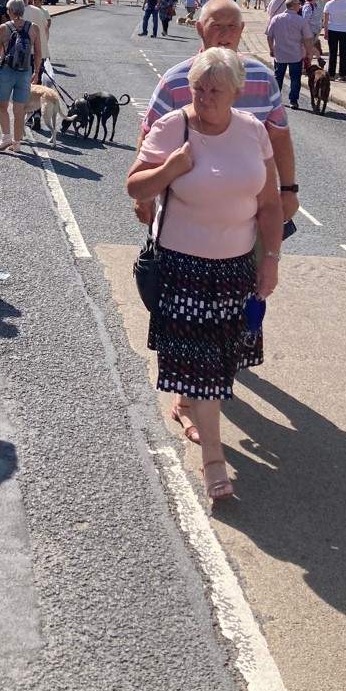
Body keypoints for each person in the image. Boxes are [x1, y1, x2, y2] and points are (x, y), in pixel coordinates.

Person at [133, 0, 298, 445]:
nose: (225, 32)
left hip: (250, 209)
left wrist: (288, 191)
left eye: (232, 25)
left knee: (247, 301)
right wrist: (145, 197)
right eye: (216, 25)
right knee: (196, 320)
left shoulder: (261, 78)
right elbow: (149, 135)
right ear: (199, 30)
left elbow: (279, 136)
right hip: (190, 221)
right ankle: (192, 401)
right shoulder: (177, 79)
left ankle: (215, 374)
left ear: (242, 30)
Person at [127, 47, 280, 506]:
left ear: (237, 91)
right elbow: (134, 185)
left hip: (236, 268)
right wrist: (171, 167)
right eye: (198, 88)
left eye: (215, 90)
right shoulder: (174, 126)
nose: (205, 97)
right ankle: (214, 464)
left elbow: (269, 204)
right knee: (208, 369)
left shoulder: (254, 132)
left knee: (220, 358)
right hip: (184, 269)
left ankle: (187, 402)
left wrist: (269, 258)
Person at [0, 0, 43, 153]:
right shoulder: (33, 28)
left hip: (7, 70)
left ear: (10, 10)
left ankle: (6, 136)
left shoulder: (4, 27)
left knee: (1, 105)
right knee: (19, 108)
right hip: (25, 72)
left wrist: (2, 58)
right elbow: (38, 53)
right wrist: (35, 71)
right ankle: (16, 143)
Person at [267, 0, 314, 110]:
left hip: (280, 54)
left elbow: (269, 36)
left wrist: (271, 49)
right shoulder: (301, 21)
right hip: (295, 54)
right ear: (294, 6)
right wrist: (309, 53)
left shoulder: (276, 19)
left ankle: (276, 100)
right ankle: (293, 101)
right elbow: (308, 39)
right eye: (298, 4)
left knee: (278, 77)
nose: (300, 6)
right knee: (295, 78)